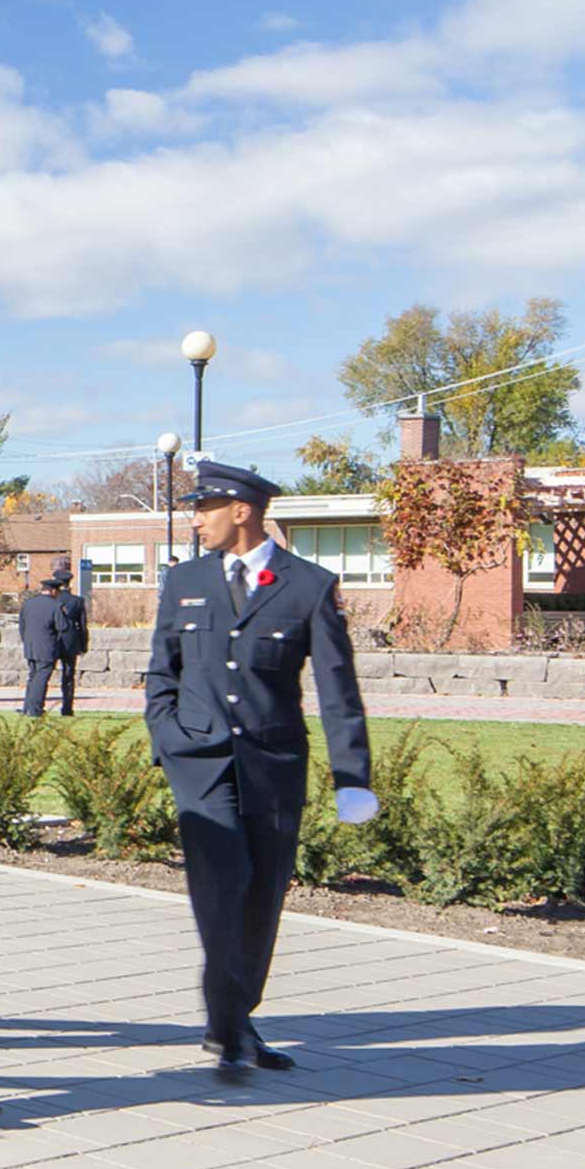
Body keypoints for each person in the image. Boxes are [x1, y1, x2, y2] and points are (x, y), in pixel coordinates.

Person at [145, 460, 376, 1082]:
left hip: (273, 765)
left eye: (205, 508)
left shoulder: (308, 584)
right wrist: (167, 738)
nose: (195, 520)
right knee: (219, 893)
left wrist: (352, 775)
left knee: (261, 898)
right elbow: (162, 671)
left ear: (241, 511)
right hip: (201, 767)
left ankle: (237, 1017)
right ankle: (227, 1027)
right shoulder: (185, 581)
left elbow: (336, 688)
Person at [20, 577, 76, 716]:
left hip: (30, 646)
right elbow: (62, 627)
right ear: (53, 591)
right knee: (41, 677)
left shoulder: (28, 604)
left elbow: (22, 626)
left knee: (33, 676)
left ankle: (27, 707)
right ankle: (35, 709)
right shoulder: (55, 606)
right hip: (47, 647)